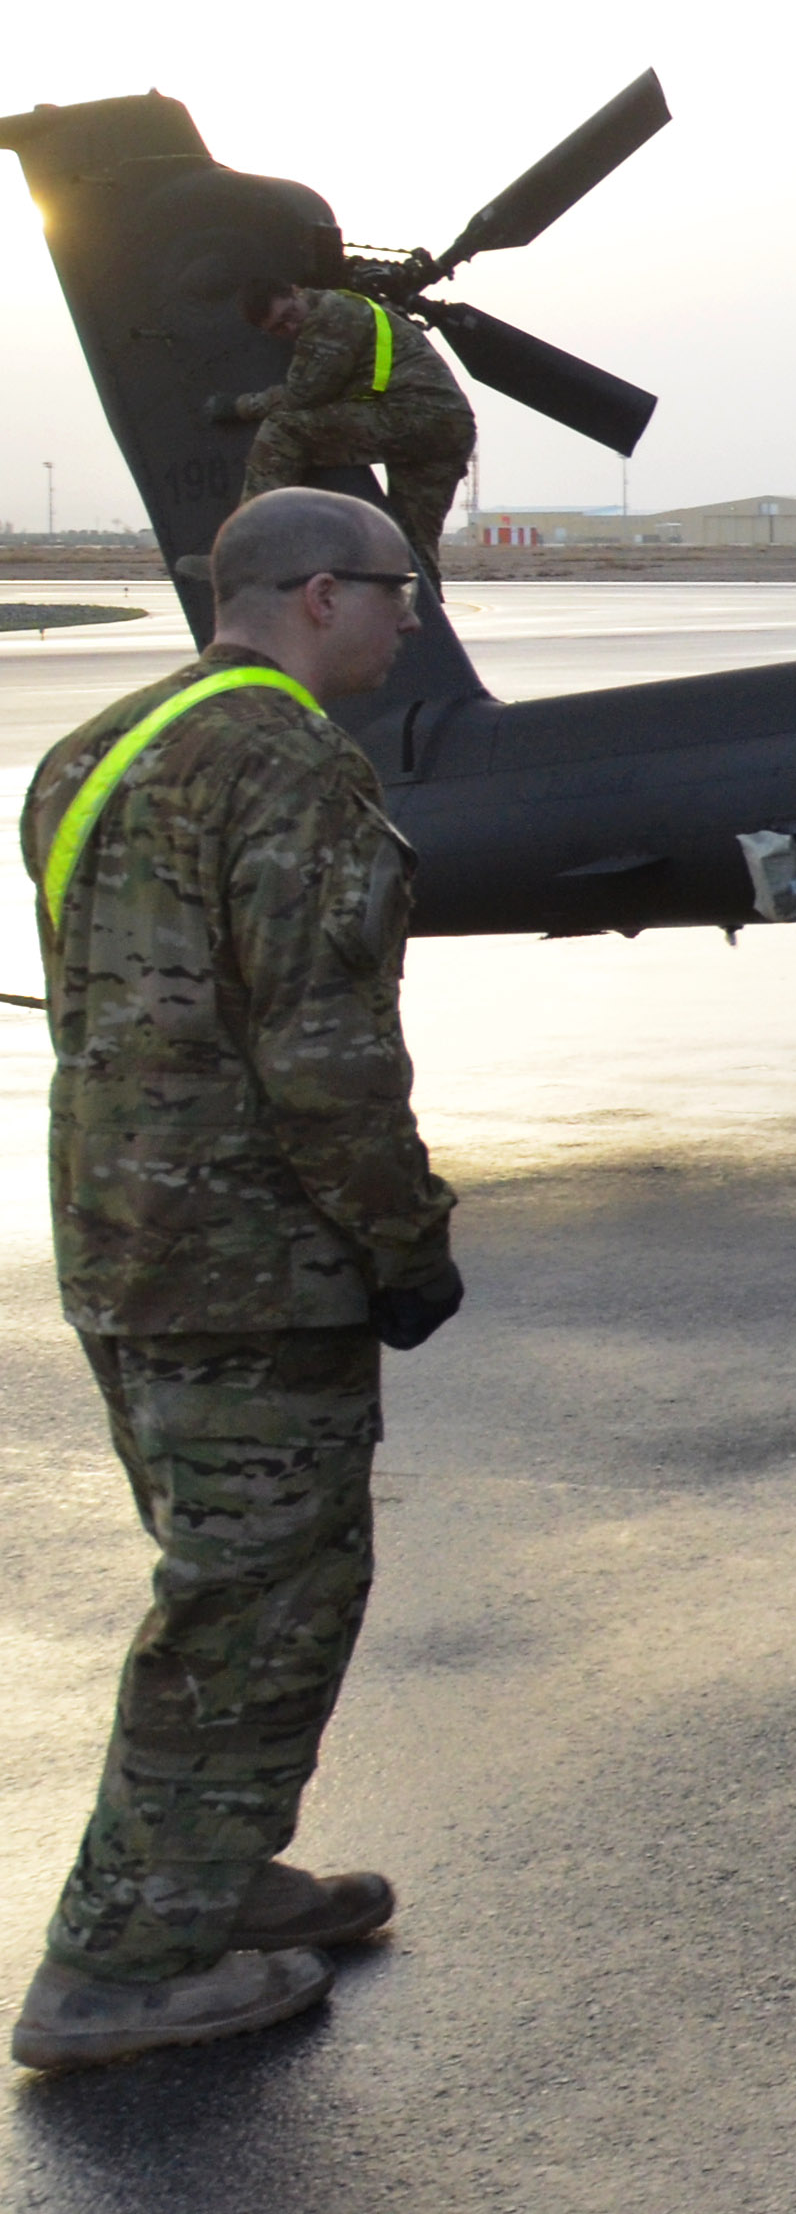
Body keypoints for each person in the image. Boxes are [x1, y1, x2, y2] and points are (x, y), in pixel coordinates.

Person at [12, 487, 461, 2072]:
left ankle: (210, 1878)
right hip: (250, 1264)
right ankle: (117, 1970)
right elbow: (324, 1049)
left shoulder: (101, 747)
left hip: (125, 1245)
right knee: (252, 1608)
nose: (415, 617)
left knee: (245, 1583)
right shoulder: (288, 764)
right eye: (401, 589)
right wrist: (406, 1244)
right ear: (320, 594)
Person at [212, 284, 481, 573]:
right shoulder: (346, 305)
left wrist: (238, 406)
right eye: (279, 327)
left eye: (290, 313)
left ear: (296, 292)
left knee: (284, 429)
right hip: (448, 429)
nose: (291, 326)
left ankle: (245, 549)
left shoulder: (332, 317)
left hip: (412, 416)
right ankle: (420, 612)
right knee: (411, 546)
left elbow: (302, 396)